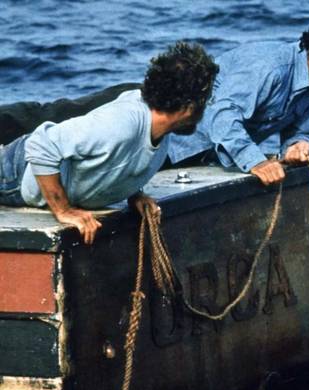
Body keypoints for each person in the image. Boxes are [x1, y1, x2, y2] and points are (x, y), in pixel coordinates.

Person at [0, 41, 219, 245]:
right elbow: (42, 144)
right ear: (188, 107)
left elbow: (123, 157)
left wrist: (134, 193)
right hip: (14, 174)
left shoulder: (160, 132)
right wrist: (63, 210)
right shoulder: (121, 123)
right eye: (206, 101)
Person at [164, 19, 309, 186]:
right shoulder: (270, 67)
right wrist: (256, 162)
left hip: (209, 162)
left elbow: (305, 132)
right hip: (170, 147)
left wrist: (300, 146)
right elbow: (223, 114)